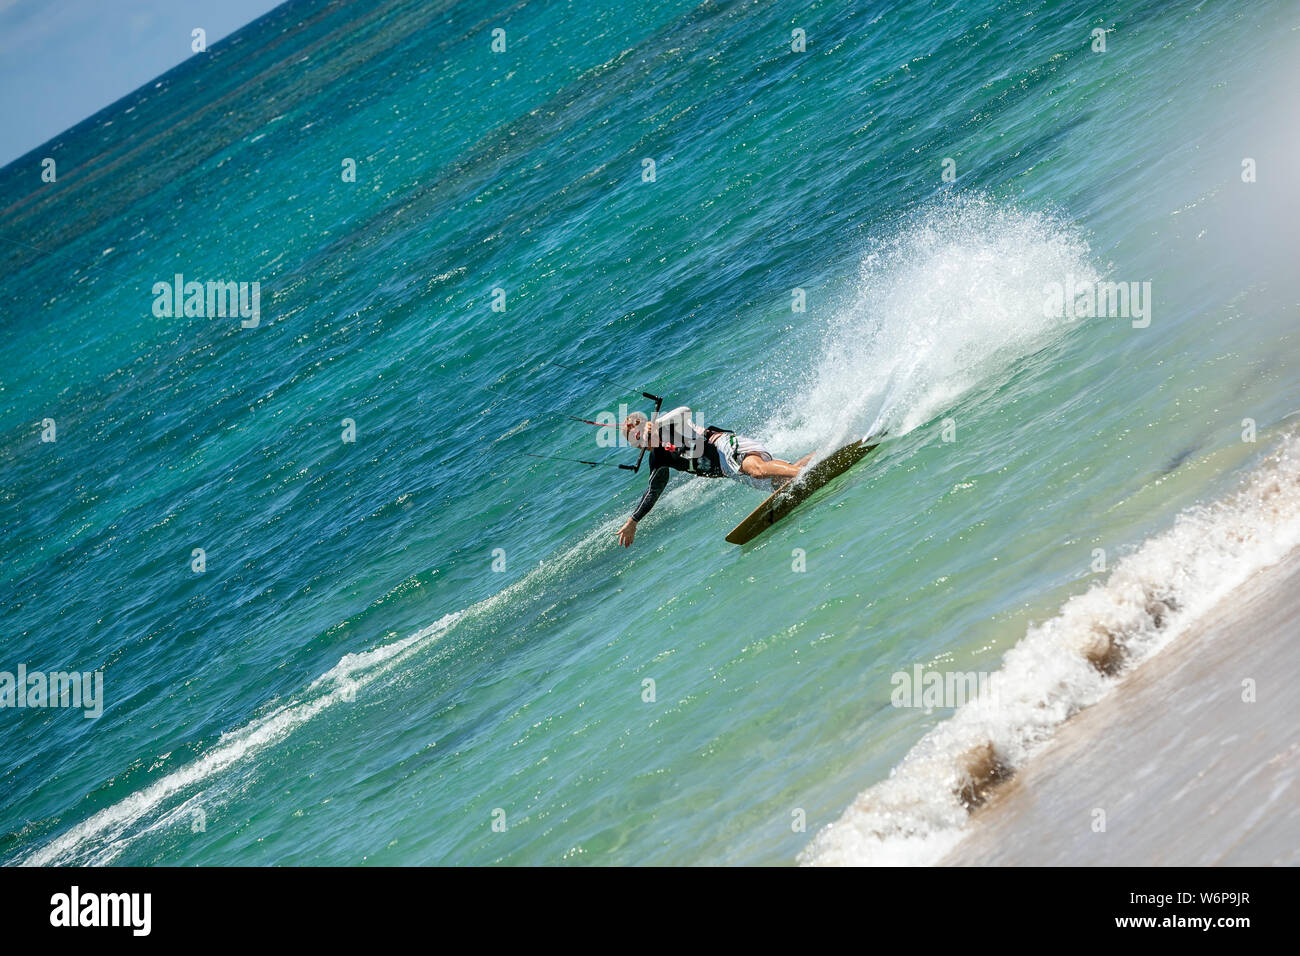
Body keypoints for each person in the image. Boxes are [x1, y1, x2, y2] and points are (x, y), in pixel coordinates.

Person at [616, 407, 812, 547]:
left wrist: (657, 423)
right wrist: (634, 521)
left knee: (758, 470)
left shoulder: (668, 425)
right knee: (781, 481)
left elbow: (686, 411)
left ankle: (805, 473)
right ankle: (818, 459)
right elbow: (653, 491)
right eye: (637, 445)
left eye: (641, 438)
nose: (643, 445)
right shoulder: (658, 458)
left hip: (723, 446)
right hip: (729, 470)